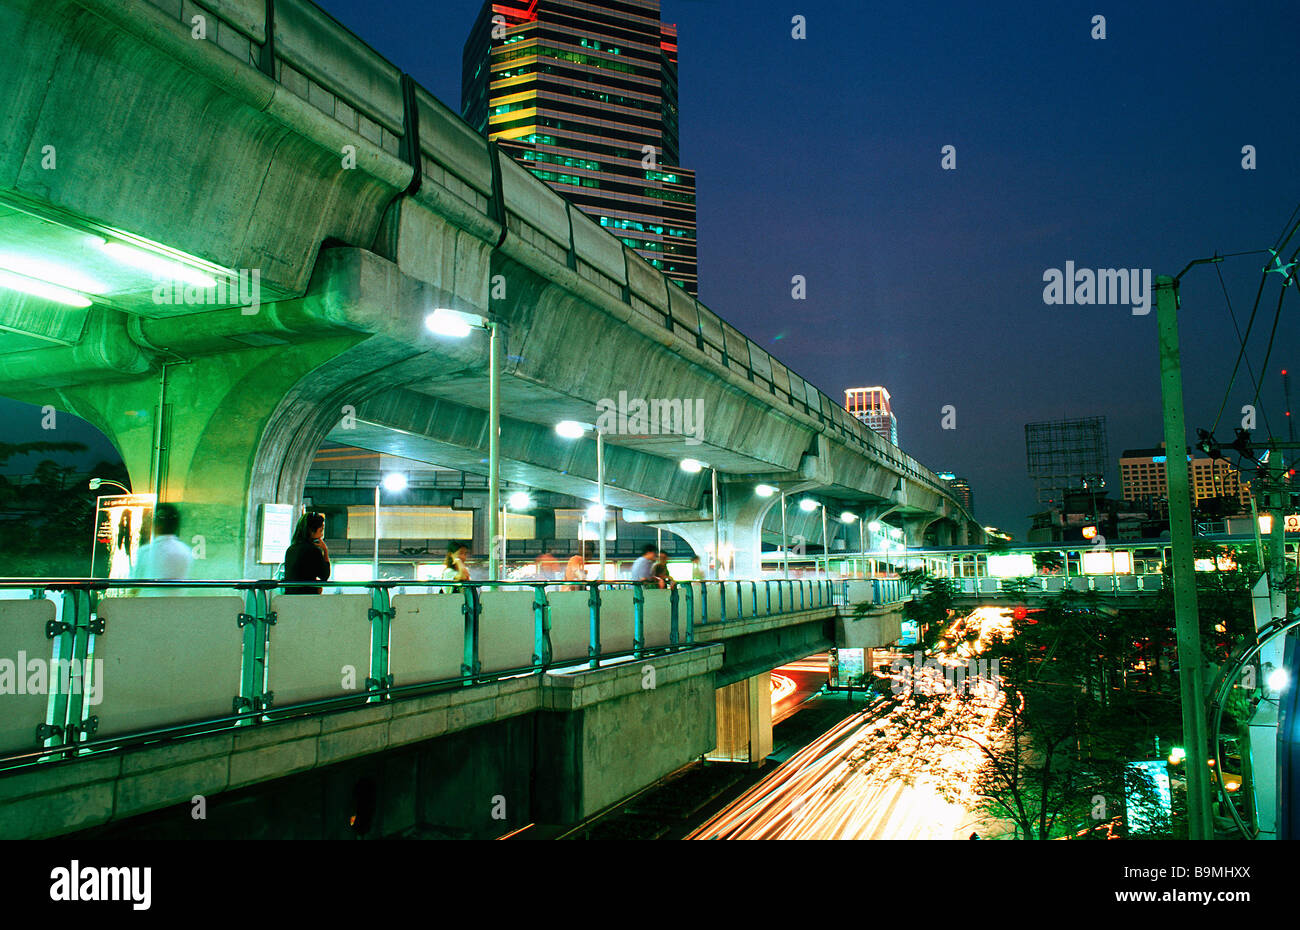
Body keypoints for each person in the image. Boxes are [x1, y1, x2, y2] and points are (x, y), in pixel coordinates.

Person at [131, 503, 192, 594]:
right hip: (177, 605)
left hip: (148, 605)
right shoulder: (186, 551)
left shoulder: (147, 551)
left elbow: (135, 587)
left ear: (157, 525)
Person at [283, 512, 330, 595]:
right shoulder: (313, 551)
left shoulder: (291, 549)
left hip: (290, 596)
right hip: (307, 598)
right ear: (312, 531)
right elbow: (325, 575)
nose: (321, 535)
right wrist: (325, 550)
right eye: (320, 530)